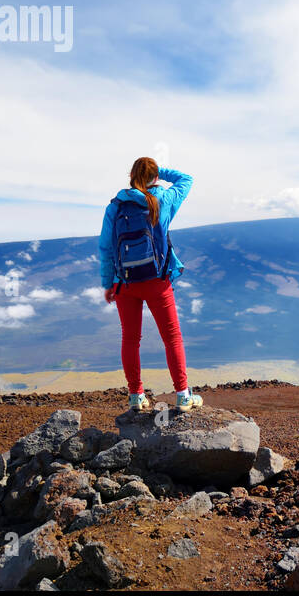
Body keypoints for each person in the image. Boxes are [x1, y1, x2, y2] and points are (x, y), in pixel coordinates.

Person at [98, 157, 202, 413]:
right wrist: (159, 172)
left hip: (125, 284)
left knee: (131, 339)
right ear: (155, 177)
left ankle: (136, 396)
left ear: (131, 176)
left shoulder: (115, 206)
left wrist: (108, 282)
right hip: (157, 282)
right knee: (172, 337)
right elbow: (186, 179)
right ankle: (182, 395)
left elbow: (106, 247)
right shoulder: (163, 200)